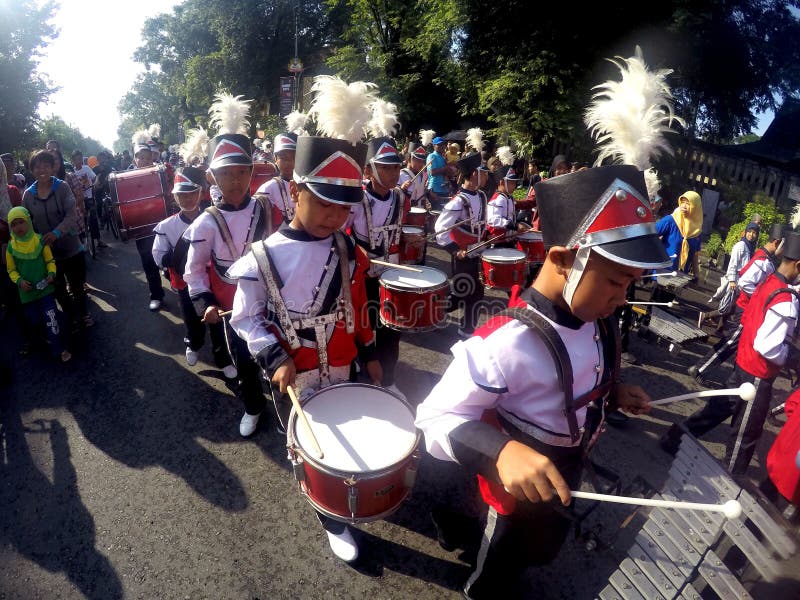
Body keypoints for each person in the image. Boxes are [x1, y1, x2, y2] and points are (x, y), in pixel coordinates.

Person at [416, 164, 670, 598]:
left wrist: (613, 391)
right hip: (514, 482)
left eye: (630, 284)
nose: (622, 297)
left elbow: (583, 372)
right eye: (614, 281)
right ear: (562, 260)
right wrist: (501, 451)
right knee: (501, 559)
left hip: (568, 464)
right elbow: (434, 416)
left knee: (544, 543)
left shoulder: (600, 319)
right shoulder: (507, 340)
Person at [228, 81, 381, 564]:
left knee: (349, 435)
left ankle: (347, 493)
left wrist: (370, 353)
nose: (336, 215)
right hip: (291, 372)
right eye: (324, 203)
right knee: (310, 447)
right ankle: (329, 512)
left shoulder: (347, 248)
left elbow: (357, 305)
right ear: (295, 191)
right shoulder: (261, 256)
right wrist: (273, 356)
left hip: (342, 364)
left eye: (344, 206)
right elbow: (244, 317)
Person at [662, 231, 800, 475]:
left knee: (717, 409)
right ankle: (731, 480)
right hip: (758, 374)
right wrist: (791, 358)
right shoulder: (787, 299)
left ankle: (673, 438)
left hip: (743, 364)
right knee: (745, 435)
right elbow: (768, 347)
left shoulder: (769, 282)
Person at [183, 93, 278, 437]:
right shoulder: (205, 223)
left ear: (252, 173)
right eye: (227, 174)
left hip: (274, 301)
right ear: (213, 178)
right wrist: (205, 302)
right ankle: (254, 407)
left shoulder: (268, 209)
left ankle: (283, 399)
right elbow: (193, 271)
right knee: (243, 360)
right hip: (234, 310)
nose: (235, 181)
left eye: (242, 172)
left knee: (280, 351)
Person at [152, 166, 230, 370]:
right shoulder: (166, 226)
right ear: (174, 197)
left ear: (200, 193)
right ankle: (193, 345)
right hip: (184, 283)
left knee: (217, 321)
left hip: (213, 281)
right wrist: (182, 258)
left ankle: (223, 359)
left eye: (191, 194)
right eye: (181, 195)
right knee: (192, 320)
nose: (186, 199)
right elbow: (159, 256)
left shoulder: (214, 219)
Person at [346, 136, 407, 397]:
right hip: (364, 276)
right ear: (369, 170)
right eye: (386, 167)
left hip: (392, 275)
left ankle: (389, 379)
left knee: (392, 330)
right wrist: (358, 251)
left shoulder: (401, 198)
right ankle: (366, 374)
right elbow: (341, 234)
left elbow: (396, 236)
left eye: (395, 167)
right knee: (366, 327)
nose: (393, 173)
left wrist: (408, 239)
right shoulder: (357, 199)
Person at [688, 223, 785, 384]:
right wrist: (760, 299)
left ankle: (732, 380)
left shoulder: (763, 256)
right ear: (776, 242)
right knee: (730, 342)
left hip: (747, 309)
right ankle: (700, 368)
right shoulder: (762, 261)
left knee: (737, 344)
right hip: (745, 309)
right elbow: (745, 282)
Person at [22, 150, 91, 330]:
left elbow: (71, 214)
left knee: (77, 286)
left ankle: (84, 314)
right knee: (58, 289)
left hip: (71, 247)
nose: (42, 169)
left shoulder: (62, 187)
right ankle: (72, 317)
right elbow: (27, 223)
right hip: (48, 252)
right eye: (37, 166)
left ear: (53, 167)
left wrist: (56, 233)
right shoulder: (28, 196)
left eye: (46, 165)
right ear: (32, 170)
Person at [5, 206, 71, 362]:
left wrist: (51, 274)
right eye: (14, 224)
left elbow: (50, 261)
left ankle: (59, 348)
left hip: (45, 290)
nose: (18, 227)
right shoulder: (11, 248)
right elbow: (11, 270)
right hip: (27, 294)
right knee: (34, 320)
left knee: (51, 318)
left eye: (21, 222)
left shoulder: (40, 241)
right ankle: (46, 339)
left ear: (28, 221)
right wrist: (20, 282)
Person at [433, 152, 489, 337]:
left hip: (479, 254)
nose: (487, 176)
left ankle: (466, 332)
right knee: (460, 295)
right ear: (473, 174)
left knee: (476, 295)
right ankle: (431, 312)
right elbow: (440, 228)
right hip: (463, 256)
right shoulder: (458, 201)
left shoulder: (481, 196)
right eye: (483, 172)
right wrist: (455, 250)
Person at [128, 130, 167, 311]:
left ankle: (174, 280)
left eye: (147, 157)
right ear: (135, 159)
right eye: (140, 158)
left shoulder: (160, 171)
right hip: (141, 225)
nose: (144, 161)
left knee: (169, 255)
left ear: (152, 157)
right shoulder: (127, 176)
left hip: (161, 221)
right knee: (148, 259)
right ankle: (156, 294)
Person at [656, 191, 703, 276]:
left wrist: (696, 274)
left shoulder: (697, 232)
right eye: (682, 202)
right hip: (661, 272)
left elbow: (695, 255)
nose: (684, 206)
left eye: (688, 203)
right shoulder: (670, 221)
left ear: (696, 207)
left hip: (680, 276)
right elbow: (650, 235)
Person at [254, 132, 296, 223]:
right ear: (275, 159)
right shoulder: (267, 189)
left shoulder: (307, 187)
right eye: (284, 158)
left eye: (294, 157)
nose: (289, 162)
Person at [486, 162, 527, 244]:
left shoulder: (509, 197)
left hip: (507, 239)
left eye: (514, 182)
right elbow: (493, 220)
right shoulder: (498, 198)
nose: (514, 185)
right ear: (501, 183)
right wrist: (514, 226)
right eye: (511, 182)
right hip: (497, 242)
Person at [398, 144, 428, 208]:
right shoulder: (400, 175)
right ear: (409, 159)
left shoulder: (423, 175)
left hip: (420, 211)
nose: (421, 164)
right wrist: (401, 189)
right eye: (418, 160)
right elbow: (393, 195)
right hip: (406, 213)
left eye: (422, 161)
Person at [426, 137, 450, 207]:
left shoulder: (443, 157)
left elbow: (446, 173)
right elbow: (432, 172)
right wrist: (445, 168)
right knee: (436, 213)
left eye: (443, 145)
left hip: (444, 189)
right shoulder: (432, 156)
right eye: (439, 145)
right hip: (435, 190)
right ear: (434, 146)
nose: (442, 146)